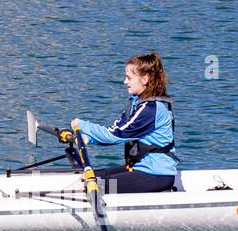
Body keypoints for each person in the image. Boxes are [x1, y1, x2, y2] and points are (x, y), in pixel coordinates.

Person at [69, 52, 179, 193]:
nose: (125, 82)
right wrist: (88, 139)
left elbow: (116, 135)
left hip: (157, 175)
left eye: (129, 78)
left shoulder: (150, 109)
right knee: (88, 178)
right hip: (139, 168)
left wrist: (83, 125)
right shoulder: (136, 103)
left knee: (93, 185)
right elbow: (116, 130)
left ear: (144, 79)